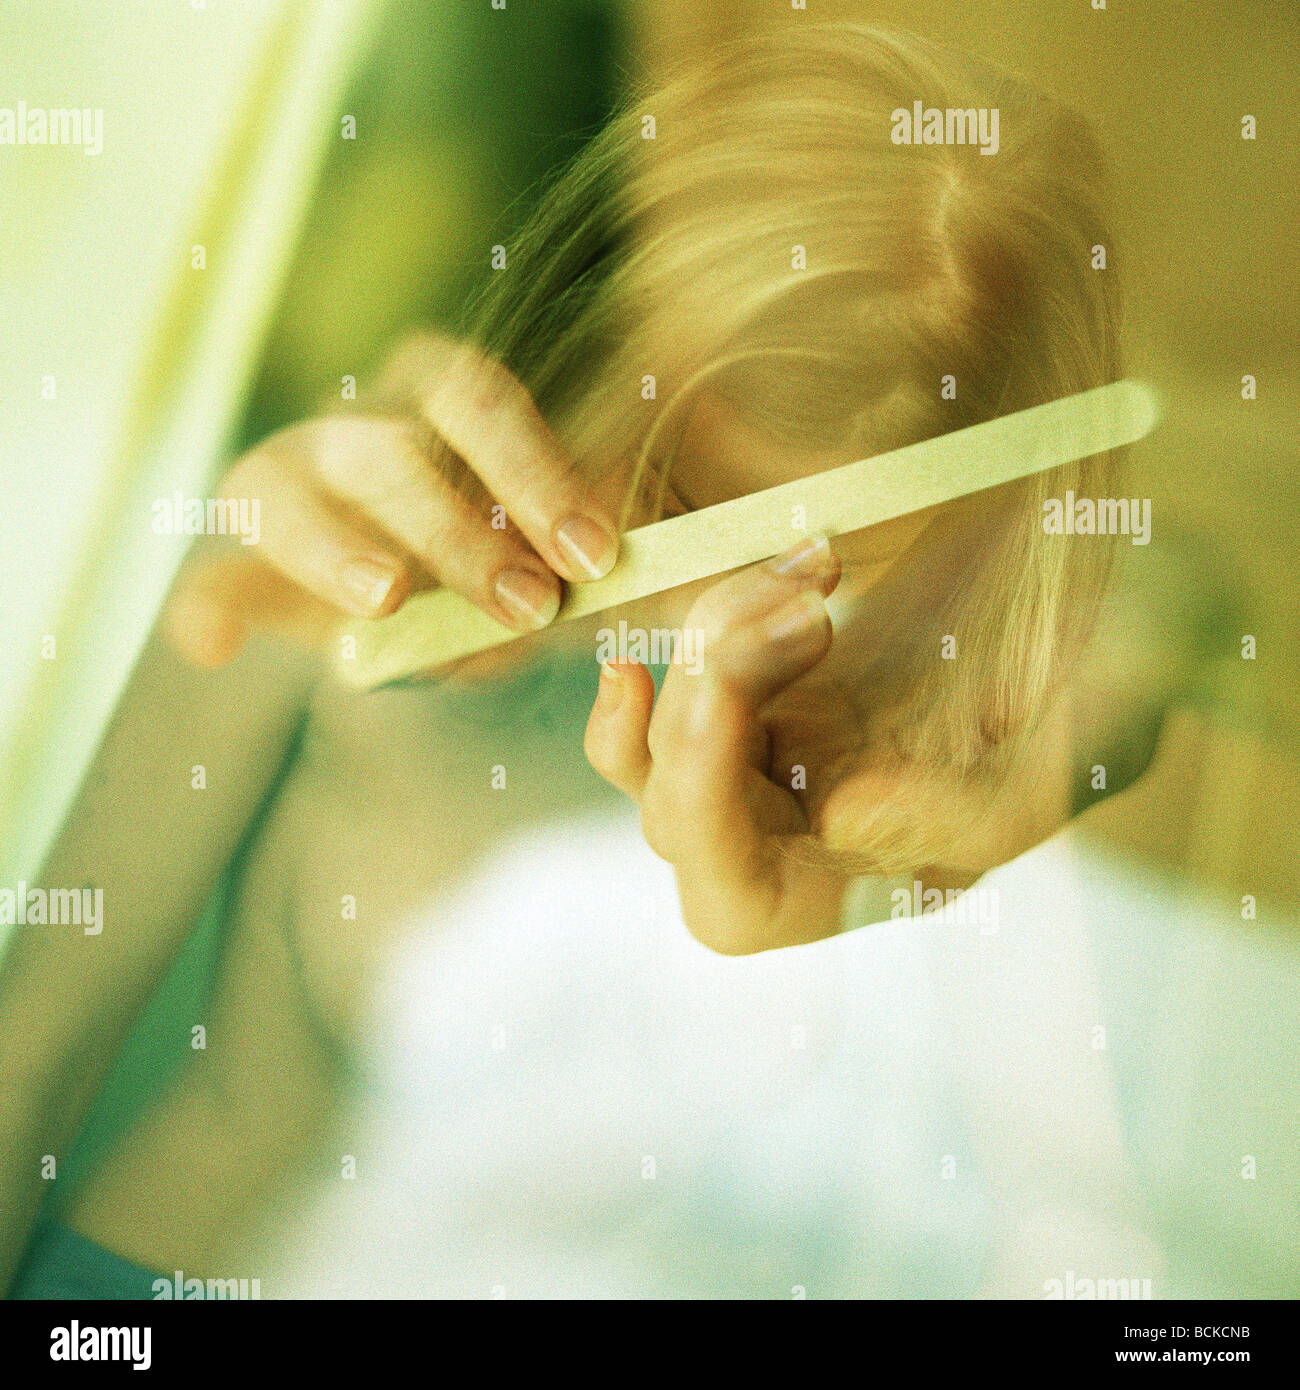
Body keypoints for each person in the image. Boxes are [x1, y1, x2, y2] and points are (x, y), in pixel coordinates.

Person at [0, 22, 1128, 1297]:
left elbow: (1071, 1241)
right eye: (678, 493)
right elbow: (33, 1044)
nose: (712, 616)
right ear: (617, 327)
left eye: (832, 573)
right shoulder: (367, 526)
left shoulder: (962, 786)